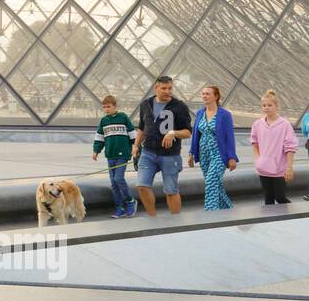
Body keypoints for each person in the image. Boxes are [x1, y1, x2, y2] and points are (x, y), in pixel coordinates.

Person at [132, 75, 193, 216]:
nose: (167, 91)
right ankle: (153, 218)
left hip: (170, 155)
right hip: (148, 153)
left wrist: (173, 133)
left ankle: (175, 223)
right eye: (164, 88)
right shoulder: (146, 104)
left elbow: (188, 132)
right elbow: (142, 128)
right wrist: (136, 145)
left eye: (170, 88)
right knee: (142, 186)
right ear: (156, 88)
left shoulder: (179, 106)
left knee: (171, 191)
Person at [188, 85, 238, 210]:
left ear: (216, 96)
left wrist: (231, 157)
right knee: (216, 184)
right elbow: (196, 135)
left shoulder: (225, 115)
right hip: (204, 153)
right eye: (203, 94)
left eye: (208, 94)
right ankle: (228, 209)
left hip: (219, 154)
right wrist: (191, 153)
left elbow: (229, 137)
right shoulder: (200, 113)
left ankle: (211, 214)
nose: (204, 96)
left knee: (211, 182)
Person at [251, 89, 298, 205]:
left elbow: (290, 147)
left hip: (279, 168)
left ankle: (294, 217)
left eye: (269, 105)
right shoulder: (257, 124)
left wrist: (289, 167)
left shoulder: (285, 124)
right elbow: (254, 142)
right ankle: (270, 223)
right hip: (263, 167)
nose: (266, 108)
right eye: (264, 105)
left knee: (280, 197)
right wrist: (258, 159)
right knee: (268, 198)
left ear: (277, 106)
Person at [92, 95, 135, 218]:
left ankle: (130, 201)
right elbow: (99, 137)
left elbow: (132, 134)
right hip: (110, 155)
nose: (106, 109)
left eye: (109, 107)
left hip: (123, 154)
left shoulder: (123, 117)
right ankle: (119, 208)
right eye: (104, 107)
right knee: (113, 183)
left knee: (118, 179)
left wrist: (137, 149)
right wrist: (96, 150)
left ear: (115, 106)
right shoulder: (104, 121)